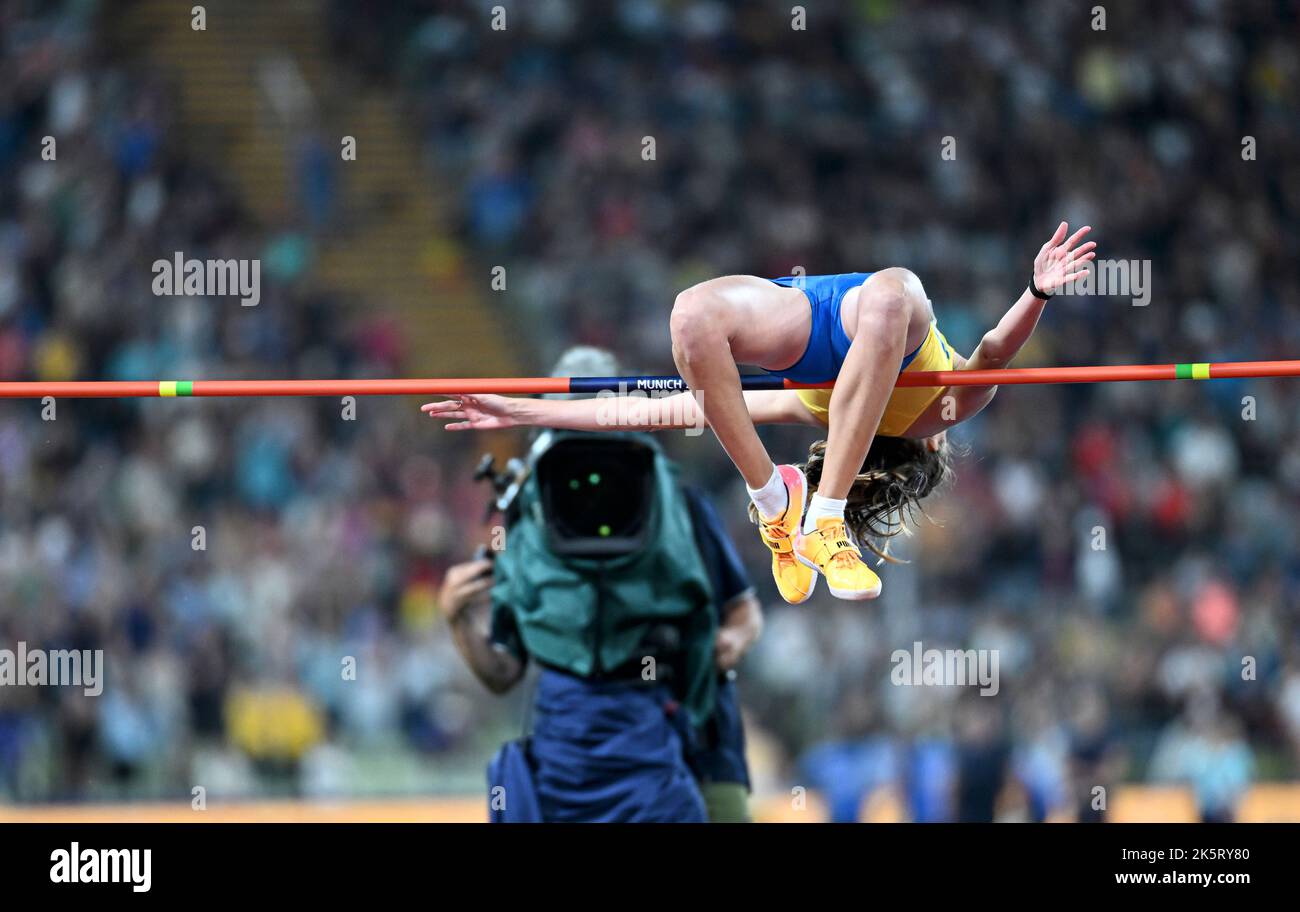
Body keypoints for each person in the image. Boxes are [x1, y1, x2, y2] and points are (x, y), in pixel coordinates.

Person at [423, 223, 1096, 604]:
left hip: (853, 319)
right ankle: (778, 502)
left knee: (891, 295)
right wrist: (1036, 290)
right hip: (830, 312)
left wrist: (523, 410)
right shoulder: (943, 408)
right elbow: (993, 349)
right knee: (692, 317)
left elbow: (659, 413)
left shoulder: (829, 411)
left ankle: (822, 523)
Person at [438, 347, 763, 823]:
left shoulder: (677, 504)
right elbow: (503, 673)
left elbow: (745, 611)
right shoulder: (527, 514)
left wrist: (728, 641)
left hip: (697, 735)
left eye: (591, 417)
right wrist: (456, 616)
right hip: (566, 744)